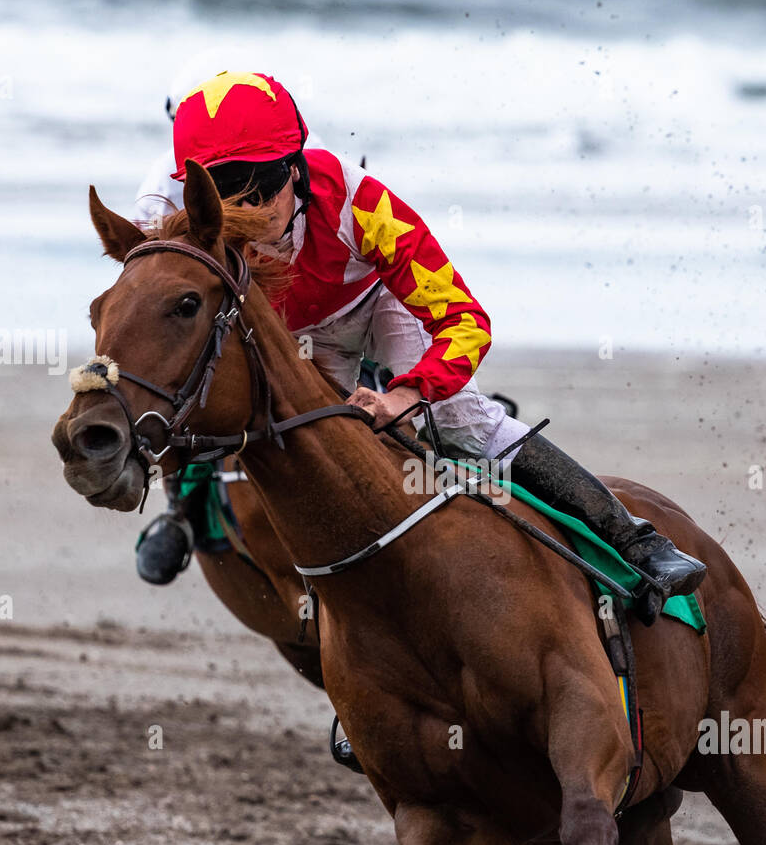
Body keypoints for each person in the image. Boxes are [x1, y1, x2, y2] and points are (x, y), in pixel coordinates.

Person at [133, 69, 705, 623]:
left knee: (460, 420)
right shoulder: (163, 210)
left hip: (373, 304)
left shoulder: (363, 206)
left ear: (297, 169)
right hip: (282, 329)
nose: (246, 208)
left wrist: (406, 394)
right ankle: (185, 511)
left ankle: (632, 539)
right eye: (223, 190)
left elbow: (466, 321)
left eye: (261, 187)